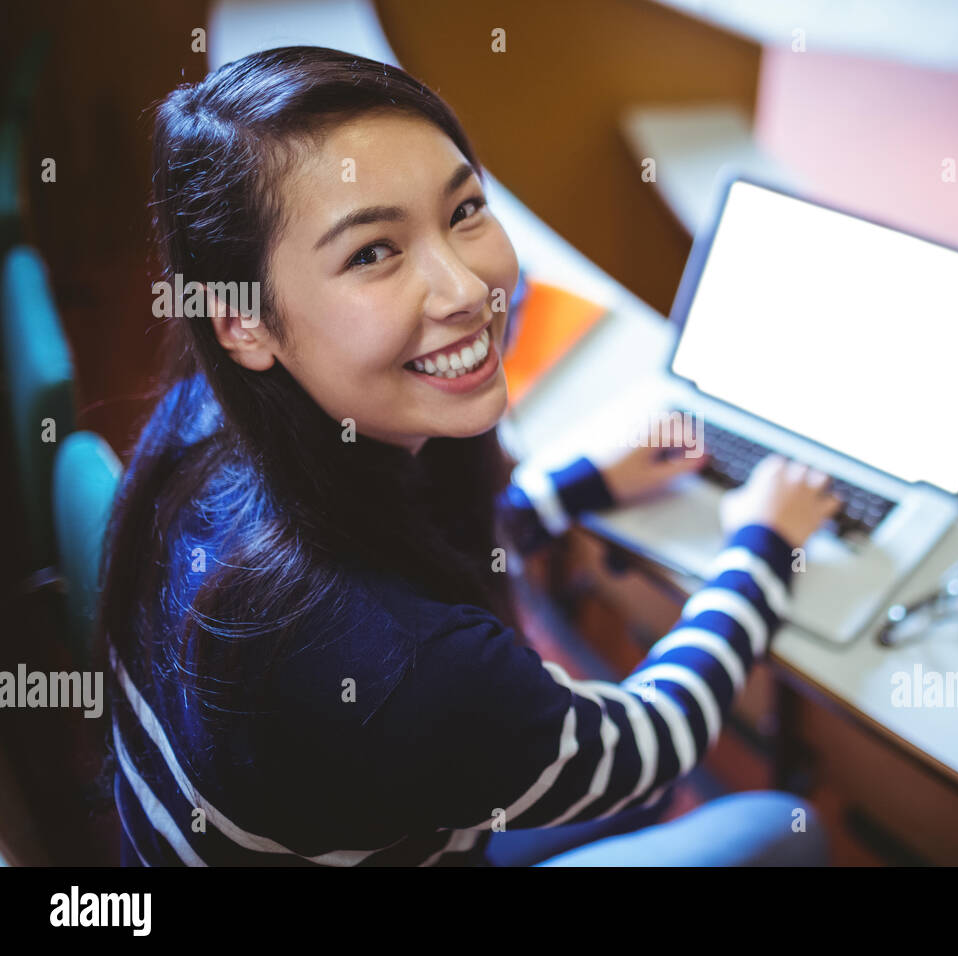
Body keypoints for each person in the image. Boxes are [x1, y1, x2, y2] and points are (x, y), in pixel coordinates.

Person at [101, 45, 841, 866]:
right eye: (372, 252)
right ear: (243, 321)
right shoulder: (405, 666)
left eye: (464, 211)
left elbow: (399, 560)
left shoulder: (203, 416)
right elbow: (646, 748)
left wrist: (571, 490)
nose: (467, 290)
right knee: (777, 830)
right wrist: (763, 548)